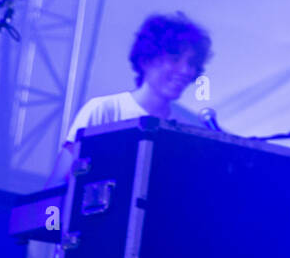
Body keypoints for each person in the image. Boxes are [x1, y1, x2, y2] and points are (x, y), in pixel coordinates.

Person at [45, 12, 213, 185]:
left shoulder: (188, 129)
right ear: (146, 59)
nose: (186, 71)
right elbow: (57, 184)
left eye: (191, 64)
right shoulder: (104, 110)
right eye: (175, 59)